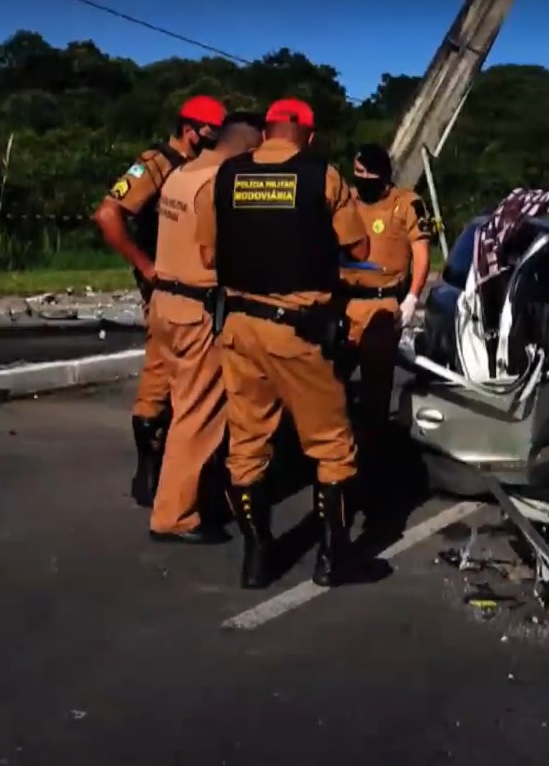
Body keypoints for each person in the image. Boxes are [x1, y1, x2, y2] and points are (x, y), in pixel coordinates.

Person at [196, 98, 370, 589]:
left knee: (246, 444)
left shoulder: (226, 175)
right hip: (298, 329)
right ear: (308, 137)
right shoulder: (322, 175)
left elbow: (207, 252)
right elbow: (360, 249)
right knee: (332, 444)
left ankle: (257, 557)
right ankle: (334, 559)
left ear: (267, 130)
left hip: (239, 328)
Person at [92, 95, 227, 510]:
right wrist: (145, 265)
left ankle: (160, 479)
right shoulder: (154, 164)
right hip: (168, 290)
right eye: (211, 133)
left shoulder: (196, 169)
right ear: (190, 129)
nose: (216, 140)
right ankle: (162, 479)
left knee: (161, 381)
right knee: (178, 386)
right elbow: (107, 213)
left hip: (184, 290)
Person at [147, 113, 264, 545]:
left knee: (182, 406)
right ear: (250, 146)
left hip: (165, 300)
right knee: (198, 415)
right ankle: (174, 515)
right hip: (198, 306)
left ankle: (182, 493)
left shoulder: (182, 171)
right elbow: (213, 255)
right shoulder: (220, 183)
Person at [341, 143, 434, 491]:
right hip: (344, 302)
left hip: (382, 305)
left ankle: (372, 464)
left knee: (375, 389)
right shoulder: (346, 200)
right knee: (331, 382)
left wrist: (412, 296)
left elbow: (421, 253)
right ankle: (337, 453)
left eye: (367, 174)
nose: (360, 180)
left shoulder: (406, 204)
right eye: (357, 172)